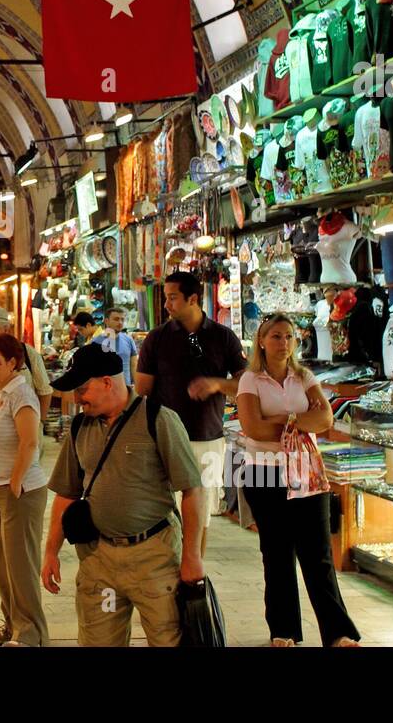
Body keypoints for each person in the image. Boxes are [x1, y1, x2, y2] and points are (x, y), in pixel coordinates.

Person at [41, 345, 206, 646]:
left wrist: (192, 556)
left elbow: (192, 490)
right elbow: (66, 494)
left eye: (82, 389)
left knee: (167, 638)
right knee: (98, 641)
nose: (77, 399)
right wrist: (51, 551)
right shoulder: (80, 427)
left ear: (107, 381)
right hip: (98, 560)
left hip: (153, 557)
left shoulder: (158, 419)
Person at [236, 313, 361, 647]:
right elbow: (253, 428)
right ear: (262, 341)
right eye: (276, 336)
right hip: (264, 473)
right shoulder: (251, 380)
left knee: (318, 554)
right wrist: (298, 422)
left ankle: (338, 632)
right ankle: (284, 630)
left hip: (306, 472)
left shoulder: (304, 376)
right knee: (277, 555)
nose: (284, 343)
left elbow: (325, 417)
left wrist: (284, 418)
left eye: (289, 336)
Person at [135, 271, 247, 553]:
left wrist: (217, 384)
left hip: (207, 437)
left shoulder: (223, 337)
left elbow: (247, 384)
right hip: (164, 438)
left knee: (200, 513)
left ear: (193, 299)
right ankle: (165, 568)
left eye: (172, 298)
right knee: (162, 509)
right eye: (167, 298)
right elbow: (142, 389)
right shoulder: (157, 338)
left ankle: (194, 569)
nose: (166, 305)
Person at [0, 334, 50, 647]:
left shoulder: (22, 394)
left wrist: (16, 479)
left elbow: (30, 441)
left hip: (19, 491)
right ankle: (11, 622)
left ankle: (30, 632)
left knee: (20, 565)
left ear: (13, 363)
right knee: (1, 563)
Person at [94, 307, 139, 387]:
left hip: (126, 389)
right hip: (105, 391)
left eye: (122, 319)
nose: (120, 322)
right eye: (116, 319)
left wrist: (137, 386)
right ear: (106, 321)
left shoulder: (128, 340)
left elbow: (134, 365)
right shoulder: (96, 342)